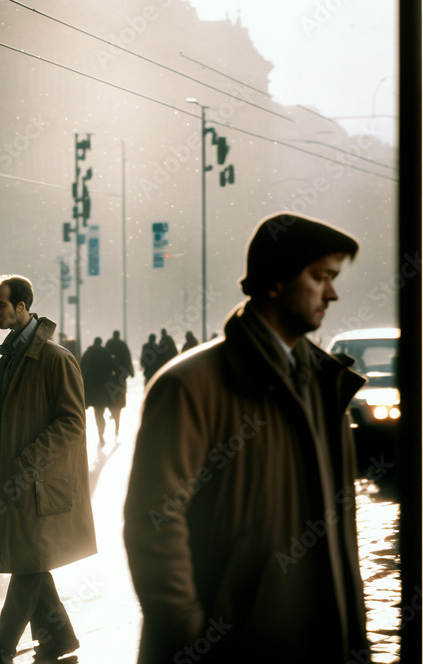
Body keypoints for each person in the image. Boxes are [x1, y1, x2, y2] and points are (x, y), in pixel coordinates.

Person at [123, 213, 367, 664]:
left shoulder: (326, 384)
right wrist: (191, 638)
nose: (332, 293)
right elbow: (153, 525)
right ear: (274, 282)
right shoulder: (189, 385)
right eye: (320, 278)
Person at [0, 275, 95, 664]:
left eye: (2, 305)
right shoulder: (12, 357)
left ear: (21, 308)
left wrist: (28, 461)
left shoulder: (55, 359)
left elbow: (73, 422)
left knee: (28, 562)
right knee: (32, 561)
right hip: (19, 483)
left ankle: (4, 645)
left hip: (38, 484)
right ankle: (59, 638)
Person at [80, 336, 114, 447]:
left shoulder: (88, 353)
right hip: (102, 387)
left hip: (90, 388)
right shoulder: (105, 353)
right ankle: (101, 433)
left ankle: (95, 435)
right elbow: (110, 368)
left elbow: (81, 368)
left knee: (92, 413)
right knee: (100, 412)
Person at [105, 329, 134, 437]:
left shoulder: (109, 344)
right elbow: (128, 358)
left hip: (111, 376)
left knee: (111, 397)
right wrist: (130, 372)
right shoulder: (122, 345)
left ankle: (113, 412)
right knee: (120, 398)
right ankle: (117, 421)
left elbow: (106, 358)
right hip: (121, 375)